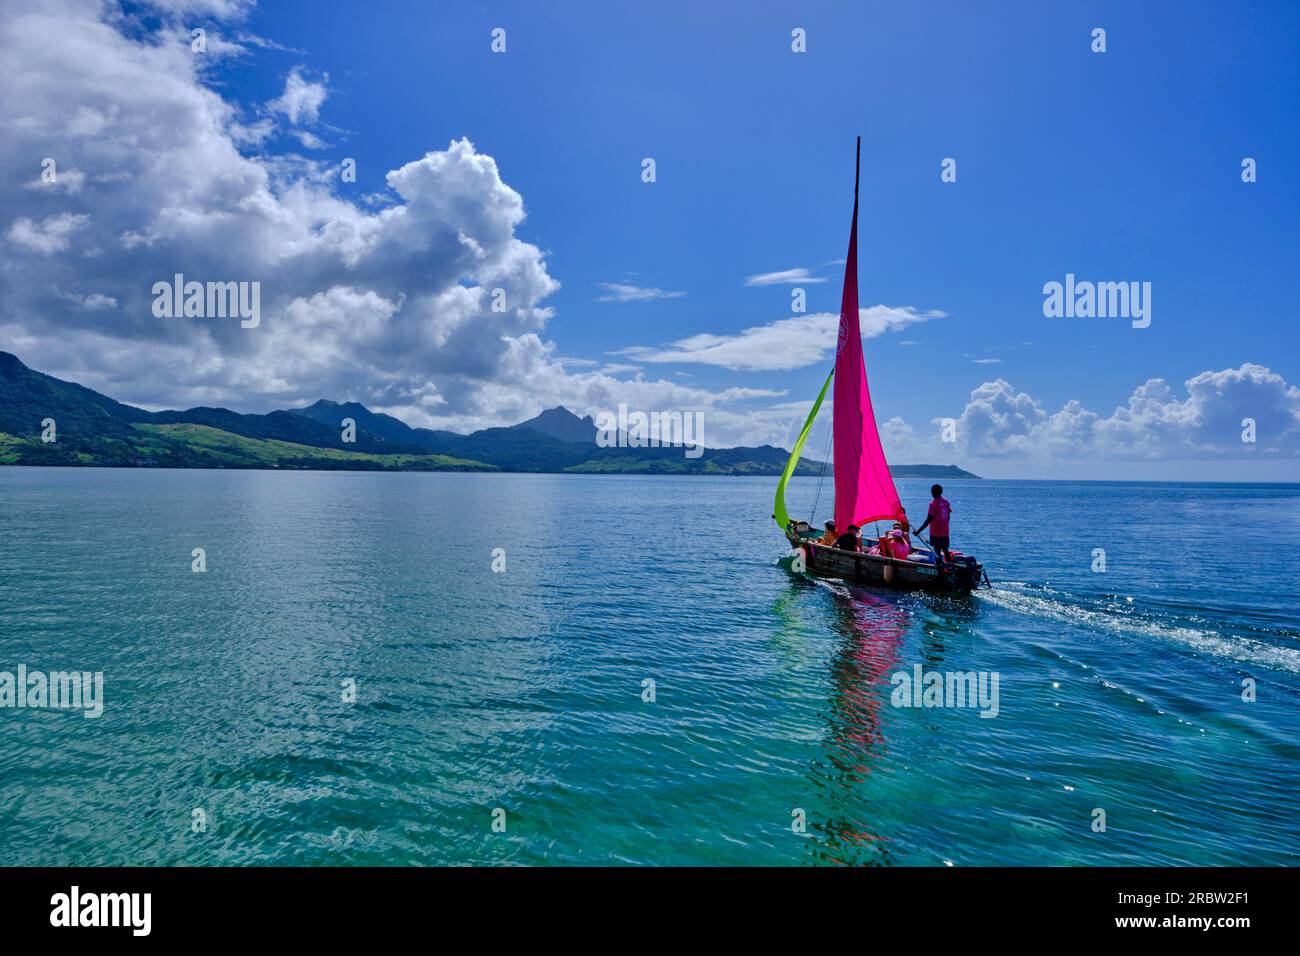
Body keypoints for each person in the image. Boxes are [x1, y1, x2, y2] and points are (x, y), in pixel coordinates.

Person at [915, 484, 952, 569]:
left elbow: (929, 519)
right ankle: (950, 567)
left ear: (932, 492)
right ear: (941, 492)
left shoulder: (933, 504)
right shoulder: (946, 503)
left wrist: (918, 531)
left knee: (937, 551)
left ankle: (938, 569)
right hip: (945, 531)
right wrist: (945, 525)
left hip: (936, 532)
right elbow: (948, 516)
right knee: (946, 550)